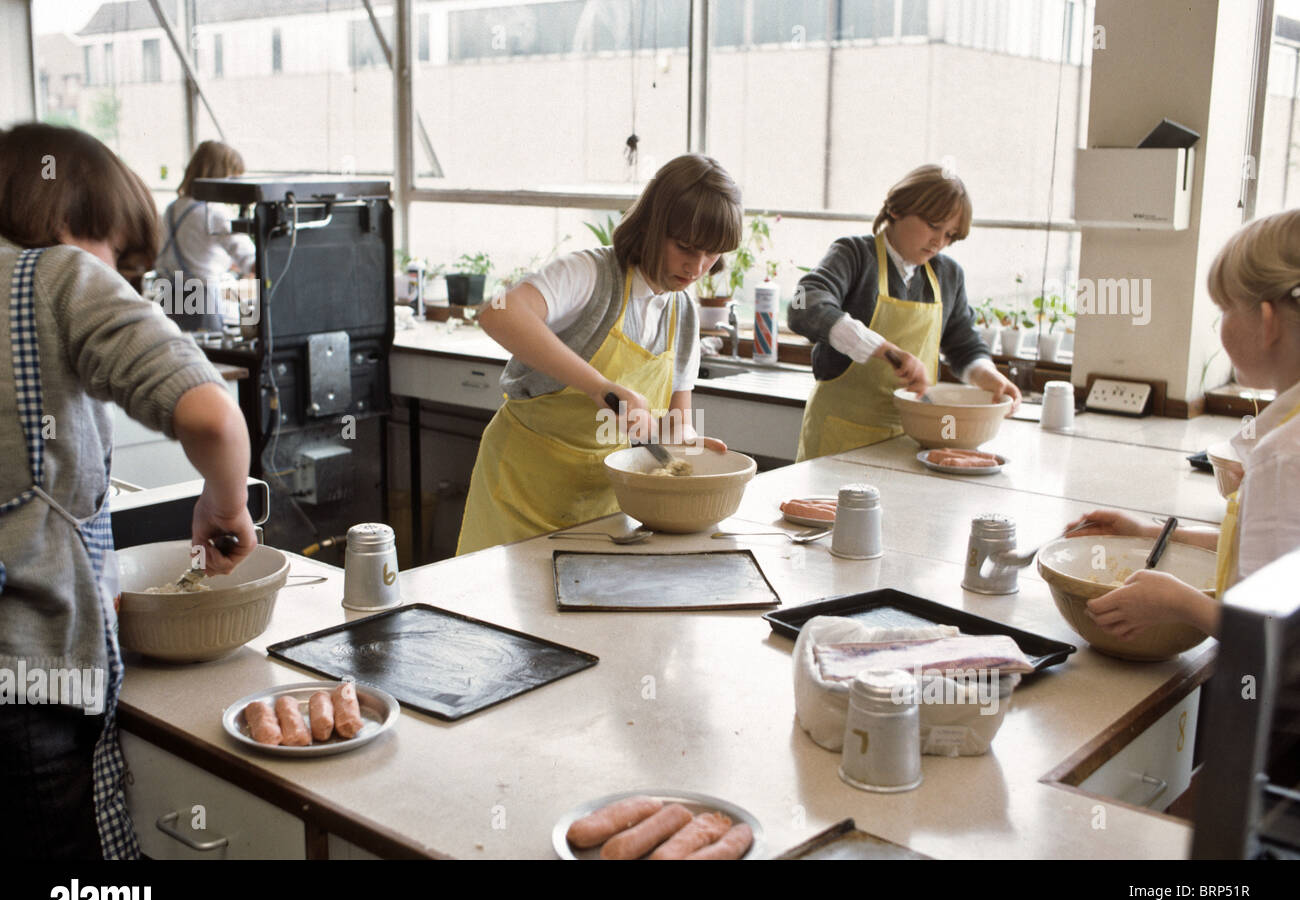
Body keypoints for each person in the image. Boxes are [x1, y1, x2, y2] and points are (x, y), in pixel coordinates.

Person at [0, 123, 257, 858]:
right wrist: (225, 503)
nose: (121, 276)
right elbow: (212, 414)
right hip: (26, 684)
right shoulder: (54, 276)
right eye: (116, 252)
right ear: (64, 221)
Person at [457, 154, 740, 555]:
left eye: (711, 254)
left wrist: (688, 448)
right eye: (685, 247)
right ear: (653, 226)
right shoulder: (589, 273)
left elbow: (674, 423)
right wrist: (598, 385)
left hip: (603, 510)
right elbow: (497, 312)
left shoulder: (684, 312)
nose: (696, 267)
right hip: (521, 496)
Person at [1066, 209, 1300, 639]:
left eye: (1224, 311)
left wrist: (1178, 603)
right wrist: (1150, 534)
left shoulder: (1284, 456)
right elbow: (1266, 549)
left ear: (1267, 323)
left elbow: (1275, 639)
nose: (1220, 327)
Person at [788, 164, 1021, 461]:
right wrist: (886, 351)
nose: (940, 242)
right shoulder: (854, 255)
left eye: (950, 235)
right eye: (934, 226)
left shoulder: (948, 275)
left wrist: (987, 376)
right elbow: (804, 305)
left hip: (912, 441)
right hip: (839, 435)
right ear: (897, 209)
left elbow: (963, 344)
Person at [154, 140, 255, 332]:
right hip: (200, 301)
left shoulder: (172, 208)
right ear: (222, 176)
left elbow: (190, 250)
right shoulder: (214, 212)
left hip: (168, 296)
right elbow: (251, 261)